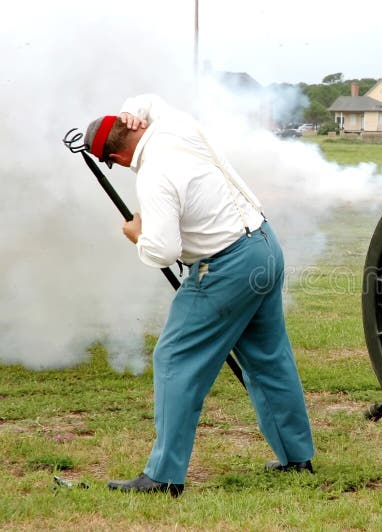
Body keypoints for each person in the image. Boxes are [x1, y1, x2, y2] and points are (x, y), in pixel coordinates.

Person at [84, 94, 315, 496]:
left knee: (174, 356)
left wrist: (137, 235)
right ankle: (297, 457)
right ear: (133, 124)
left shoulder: (152, 175)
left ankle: (163, 476)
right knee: (268, 358)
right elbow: (150, 100)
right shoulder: (176, 125)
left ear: (116, 160)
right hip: (264, 245)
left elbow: (164, 250)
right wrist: (131, 106)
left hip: (226, 266)